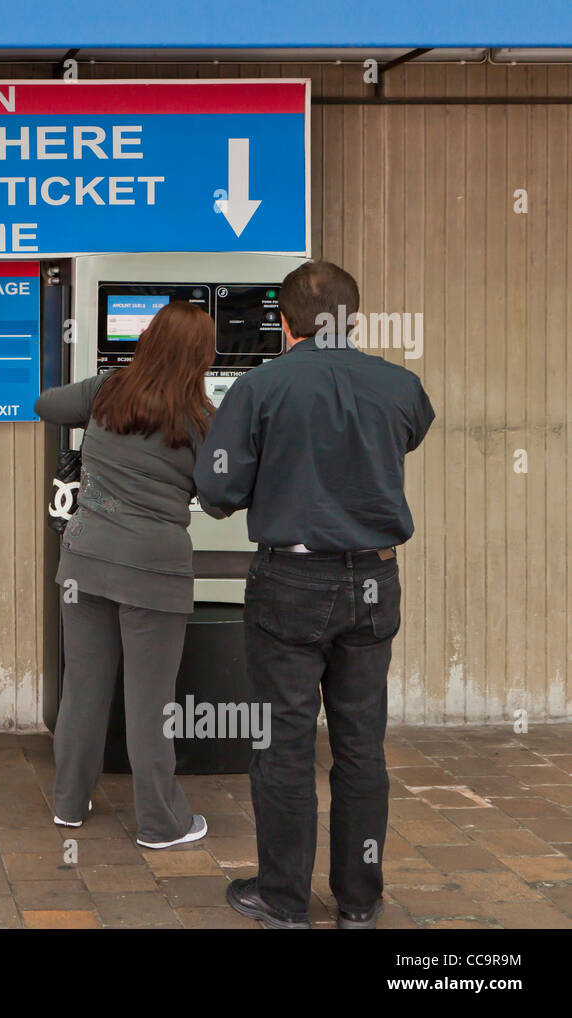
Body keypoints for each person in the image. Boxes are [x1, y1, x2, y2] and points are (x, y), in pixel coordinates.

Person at [194, 261, 435, 929]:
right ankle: (360, 900)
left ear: (285, 320)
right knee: (361, 745)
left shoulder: (260, 388)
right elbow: (408, 434)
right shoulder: (400, 385)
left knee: (284, 744)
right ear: (352, 316)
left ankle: (283, 898)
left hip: (291, 584)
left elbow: (216, 490)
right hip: (373, 583)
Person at [36, 301, 215, 849]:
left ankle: (69, 803)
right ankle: (162, 824)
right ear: (201, 358)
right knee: (150, 702)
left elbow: (46, 404)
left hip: (84, 562)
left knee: (83, 689)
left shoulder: (107, 390)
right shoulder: (203, 420)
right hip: (153, 574)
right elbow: (221, 497)